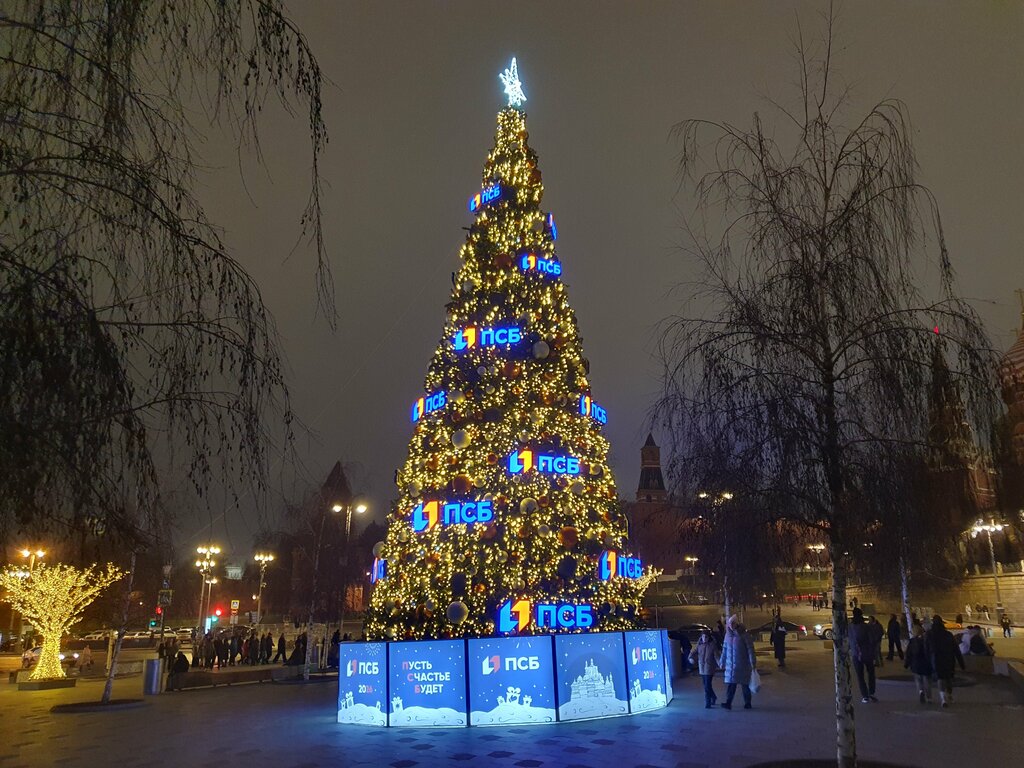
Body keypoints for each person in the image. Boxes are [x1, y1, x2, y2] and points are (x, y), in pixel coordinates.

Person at [925, 614, 964, 708]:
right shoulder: (948, 634)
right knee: (948, 678)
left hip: (936, 659)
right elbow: (956, 649)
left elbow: (926, 649)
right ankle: (949, 694)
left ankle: (943, 698)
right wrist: (961, 663)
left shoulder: (929, 634)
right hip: (948, 658)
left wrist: (927, 660)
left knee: (940, 678)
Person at [717, 615, 756, 710]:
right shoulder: (727, 635)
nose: (731, 625)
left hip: (742, 664)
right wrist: (722, 661)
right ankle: (728, 702)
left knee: (745, 684)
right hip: (731, 666)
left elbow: (750, 649)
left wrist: (752, 662)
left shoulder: (744, 635)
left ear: (736, 623)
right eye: (729, 623)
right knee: (731, 685)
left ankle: (748, 703)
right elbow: (724, 649)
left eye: (733, 623)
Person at [849, 608, 877, 703]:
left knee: (860, 676)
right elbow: (872, 640)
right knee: (871, 673)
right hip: (867, 653)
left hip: (855, 654)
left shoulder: (850, 627)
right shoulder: (866, 627)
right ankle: (871, 692)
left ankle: (865, 695)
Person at [689, 629, 719, 708]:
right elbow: (693, 652)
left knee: (707, 686)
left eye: (706, 637)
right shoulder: (699, 645)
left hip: (709, 668)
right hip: (702, 668)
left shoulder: (712, 645)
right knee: (706, 685)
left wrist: (720, 663)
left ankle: (708, 703)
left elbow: (717, 656)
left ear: (709, 637)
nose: (704, 638)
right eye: (703, 637)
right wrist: (690, 658)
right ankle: (713, 697)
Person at [904, 624, 933, 704]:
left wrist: (906, 664)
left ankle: (921, 691)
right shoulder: (926, 640)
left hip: (915, 663)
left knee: (918, 680)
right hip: (926, 663)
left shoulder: (912, 641)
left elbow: (908, 654)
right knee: (927, 680)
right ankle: (929, 697)